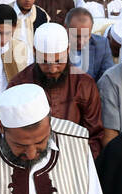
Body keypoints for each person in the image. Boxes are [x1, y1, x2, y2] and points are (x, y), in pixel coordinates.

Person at [11, 22, 105, 157]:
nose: (52, 69)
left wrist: (84, 166)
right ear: (34, 51)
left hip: (75, 160)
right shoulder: (19, 85)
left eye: (58, 61)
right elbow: (13, 136)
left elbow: (94, 135)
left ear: (67, 50)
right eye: (45, 62)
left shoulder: (84, 84)